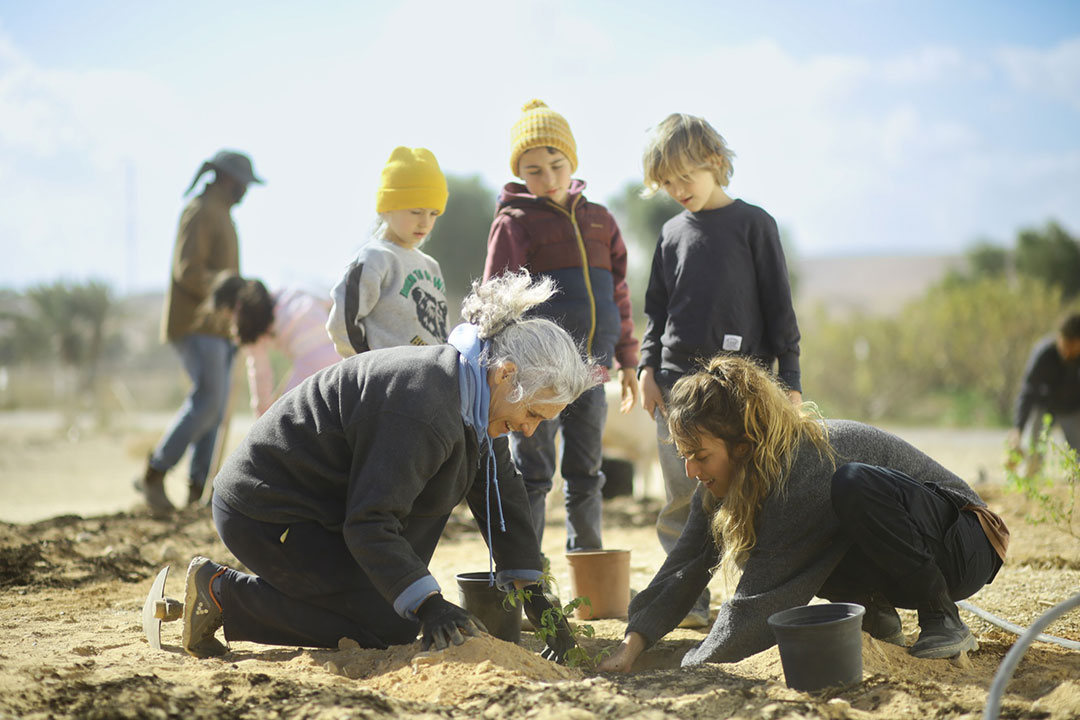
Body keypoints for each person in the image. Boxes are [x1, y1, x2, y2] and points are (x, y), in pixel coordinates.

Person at [178, 271, 596, 661]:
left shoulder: (472, 392)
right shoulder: (427, 405)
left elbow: (502, 495)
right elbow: (370, 522)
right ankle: (220, 593)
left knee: (390, 611)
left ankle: (236, 597)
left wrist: (538, 601)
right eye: (535, 415)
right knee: (383, 623)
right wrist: (431, 605)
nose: (528, 431)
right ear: (506, 374)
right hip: (265, 511)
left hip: (323, 510)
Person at [598, 355, 1008, 672]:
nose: (690, 470)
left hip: (966, 543)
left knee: (850, 486)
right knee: (815, 528)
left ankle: (943, 618)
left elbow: (758, 600)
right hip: (929, 542)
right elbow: (685, 563)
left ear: (742, 447)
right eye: (684, 456)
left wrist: (692, 665)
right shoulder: (734, 478)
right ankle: (876, 618)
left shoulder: (798, 468)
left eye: (700, 456)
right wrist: (632, 644)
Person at [636, 113, 802, 627]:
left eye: (686, 177)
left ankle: (757, 601)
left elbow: (780, 311)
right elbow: (656, 313)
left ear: (715, 163)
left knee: (756, 493)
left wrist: (790, 381)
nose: (677, 190)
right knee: (683, 499)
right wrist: (645, 367)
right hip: (673, 389)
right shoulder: (669, 234)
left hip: (739, 392)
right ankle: (687, 605)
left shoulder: (755, 224)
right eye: (666, 183)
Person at [483, 99, 640, 554]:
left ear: (573, 161)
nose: (548, 178)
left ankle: (588, 568)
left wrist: (628, 360)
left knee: (587, 474)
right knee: (532, 475)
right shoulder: (514, 223)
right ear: (520, 173)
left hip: (593, 371)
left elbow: (620, 295)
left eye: (556, 164)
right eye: (533, 170)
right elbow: (496, 302)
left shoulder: (601, 220)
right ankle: (524, 574)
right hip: (536, 380)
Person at [136, 150, 263, 514]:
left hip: (219, 329)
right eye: (243, 184)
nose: (245, 192)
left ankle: (196, 494)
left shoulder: (222, 213)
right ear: (228, 179)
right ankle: (155, 475)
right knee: (208, 401)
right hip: (196, 324)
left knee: (216, 407)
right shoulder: (202, 210)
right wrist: (229, 286)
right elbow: (188, 271)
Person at [327, 146, 450, 357]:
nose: (425, 222)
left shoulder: (431, 266)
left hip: (429, 378)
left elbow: (441, 330)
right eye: (416, 211)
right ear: (387, 208)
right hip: (385, 382)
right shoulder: (375, 258)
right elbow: (342, 324)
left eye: (433, 213)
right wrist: (368, 368)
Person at [208, 273, 340, 418]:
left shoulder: (251, 324)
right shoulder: (288, 293)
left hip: (310, 364)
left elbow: (261, 376)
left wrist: (261, 418)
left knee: (284, 419)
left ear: (232, 309)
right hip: (341, 353)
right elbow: (330, 301)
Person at [1008, 312, 1080, 472]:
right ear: (1059, 337)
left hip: (1074, 409)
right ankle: (1029, 489)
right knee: (1033, 456)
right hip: (1045, 407)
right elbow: (1028, 391)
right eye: (1065, 345)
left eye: (1073, 347)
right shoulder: (1044, 353)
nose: (1068, 352)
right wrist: (1018, 429)